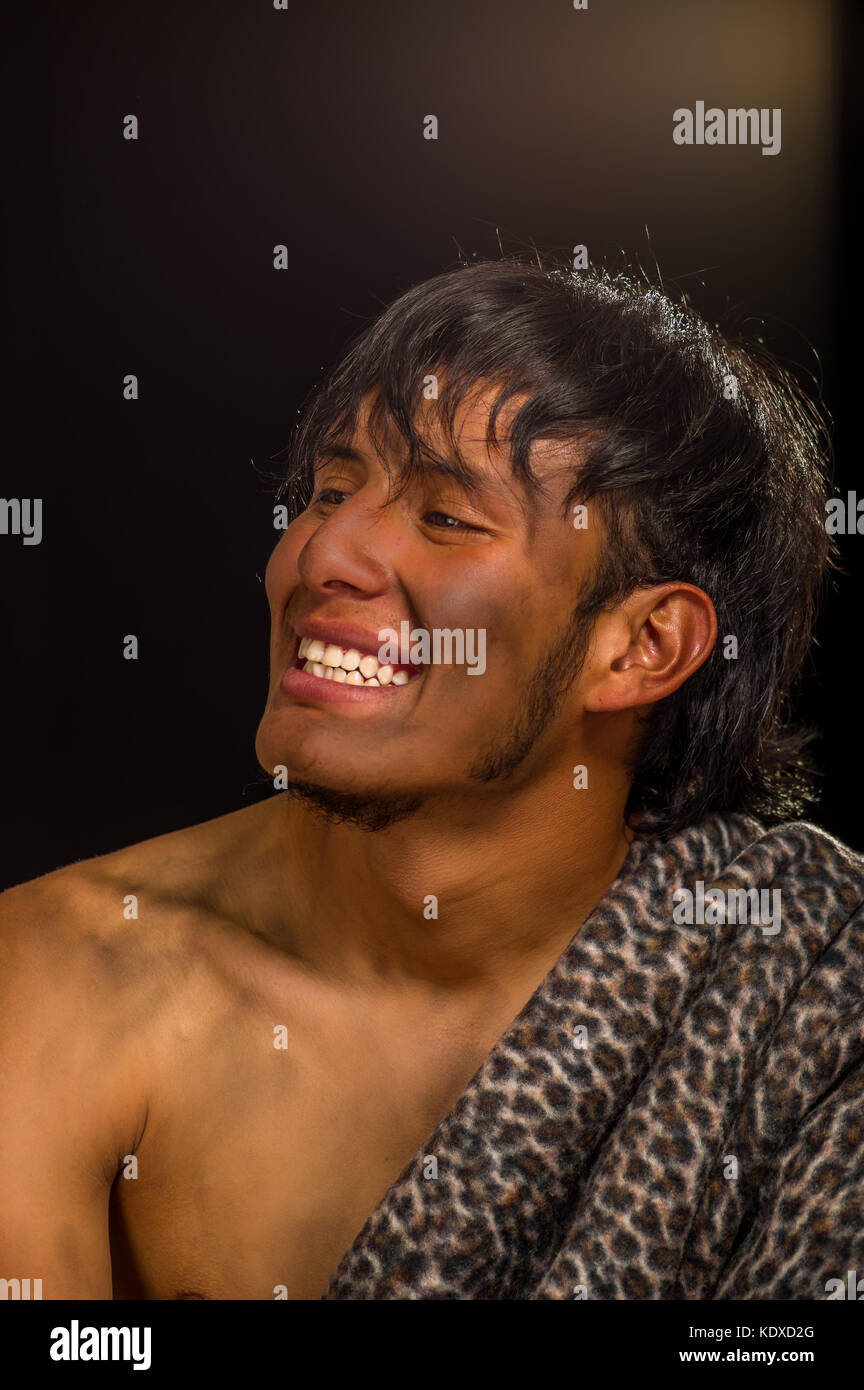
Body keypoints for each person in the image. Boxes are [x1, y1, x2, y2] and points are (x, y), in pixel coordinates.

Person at [1, 257, 861, 1302]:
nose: (327, 551)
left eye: (448, 518)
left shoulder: (808, 1000)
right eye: (329, 490)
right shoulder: (64, 974)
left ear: (643, 645)